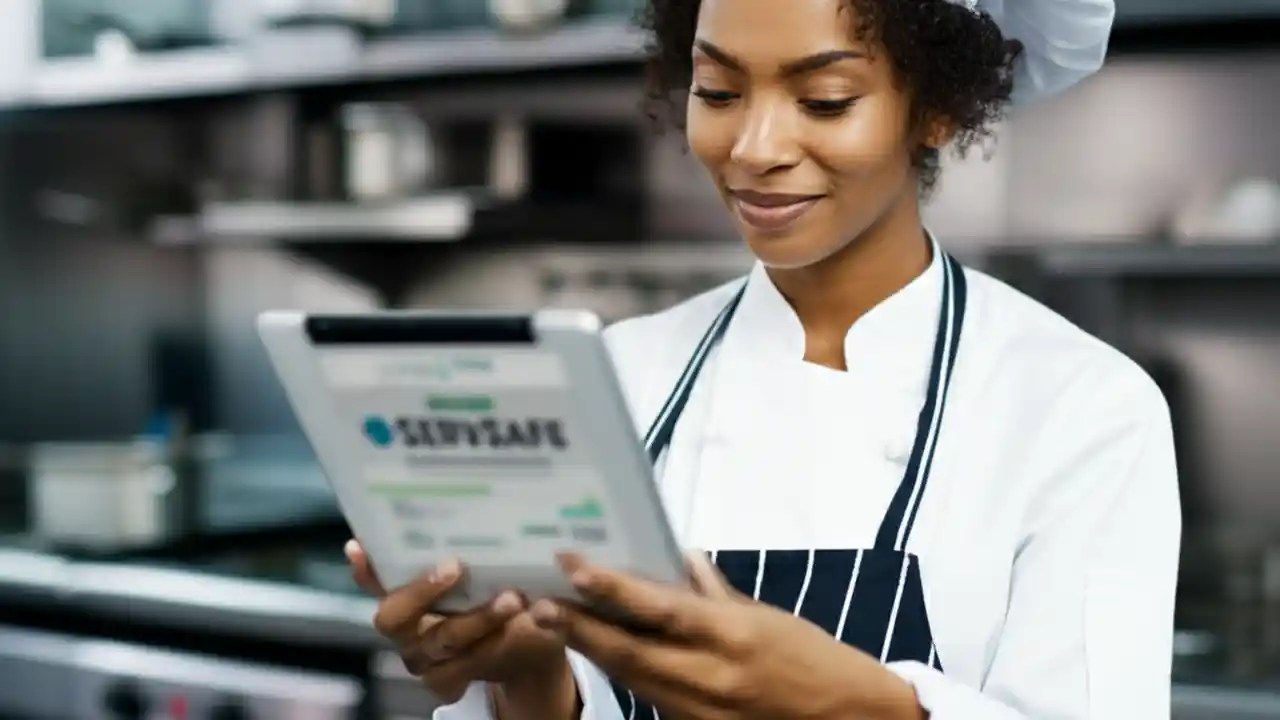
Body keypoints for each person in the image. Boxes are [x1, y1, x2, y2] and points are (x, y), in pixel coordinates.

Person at [347, 0, 1181, 717]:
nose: (753, 146)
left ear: (938, 109)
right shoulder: (613, 375)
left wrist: (858, 707)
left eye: (823, 100)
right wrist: (528, 679)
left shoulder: (1082, 408)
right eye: (718, 91)